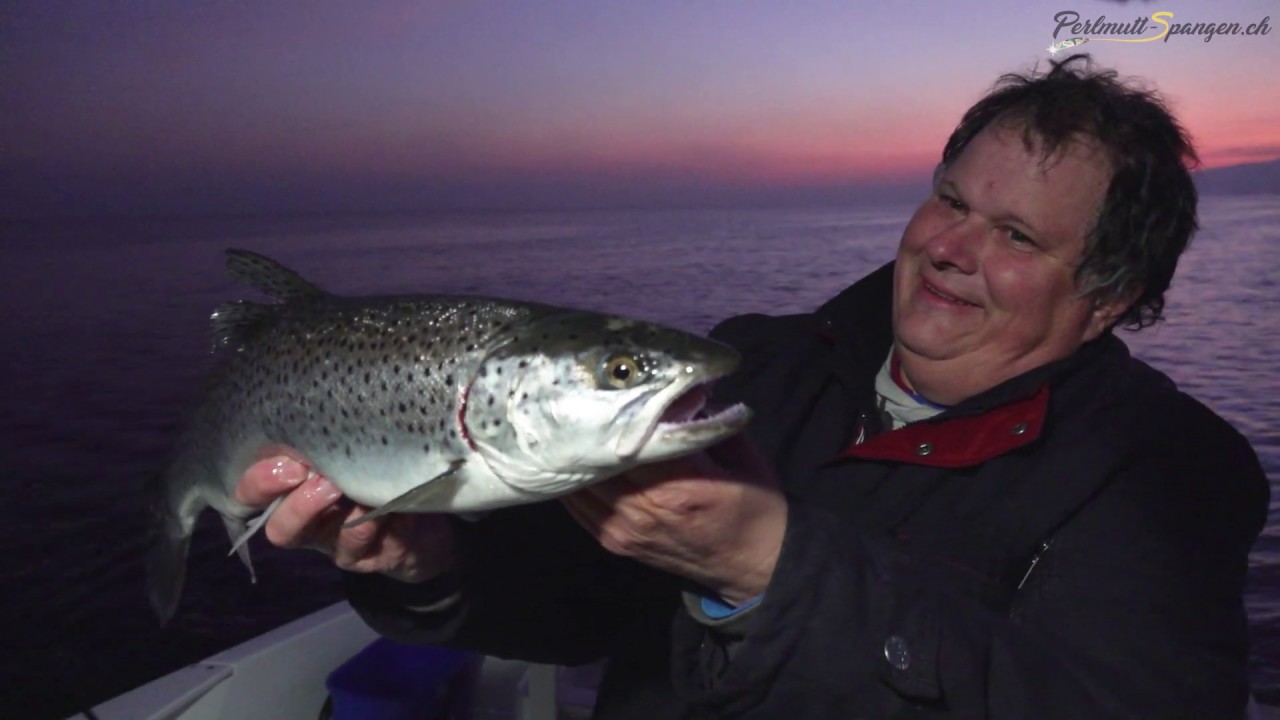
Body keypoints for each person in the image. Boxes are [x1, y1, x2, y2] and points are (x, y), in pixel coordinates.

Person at [235, 54, 1269, 718]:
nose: (950, 247)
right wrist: (433, 565)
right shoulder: (751, 367)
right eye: (949, 200)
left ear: (1106, 295)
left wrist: (770, 568)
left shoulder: (1167, 471)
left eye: (1013, 235)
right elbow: (581, 612)